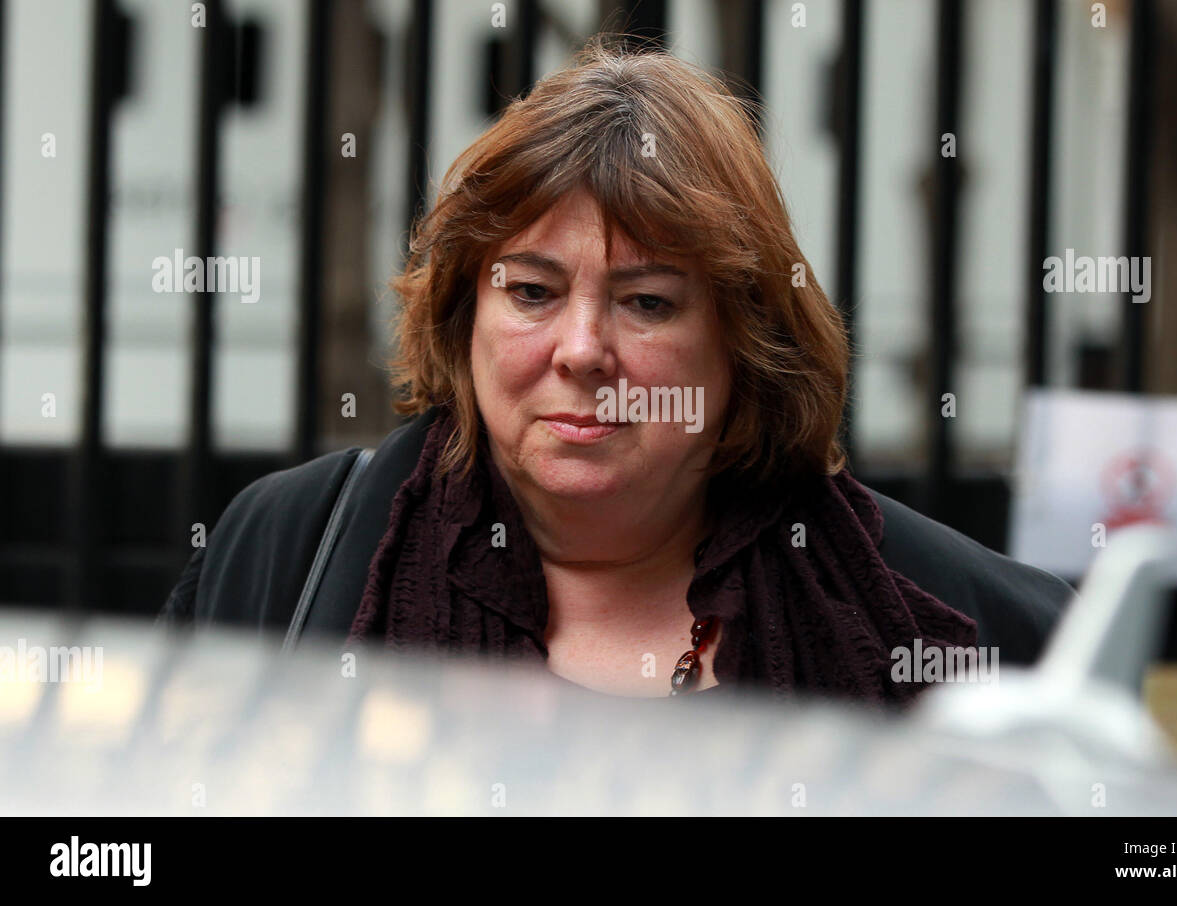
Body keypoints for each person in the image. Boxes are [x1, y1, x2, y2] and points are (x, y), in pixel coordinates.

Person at [160, 37, 1073, 705]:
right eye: (531, 291)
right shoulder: (287, 555)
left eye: (647, 302)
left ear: (742, 339)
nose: (582, 349)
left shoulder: (940, 624)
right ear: (463, 313)